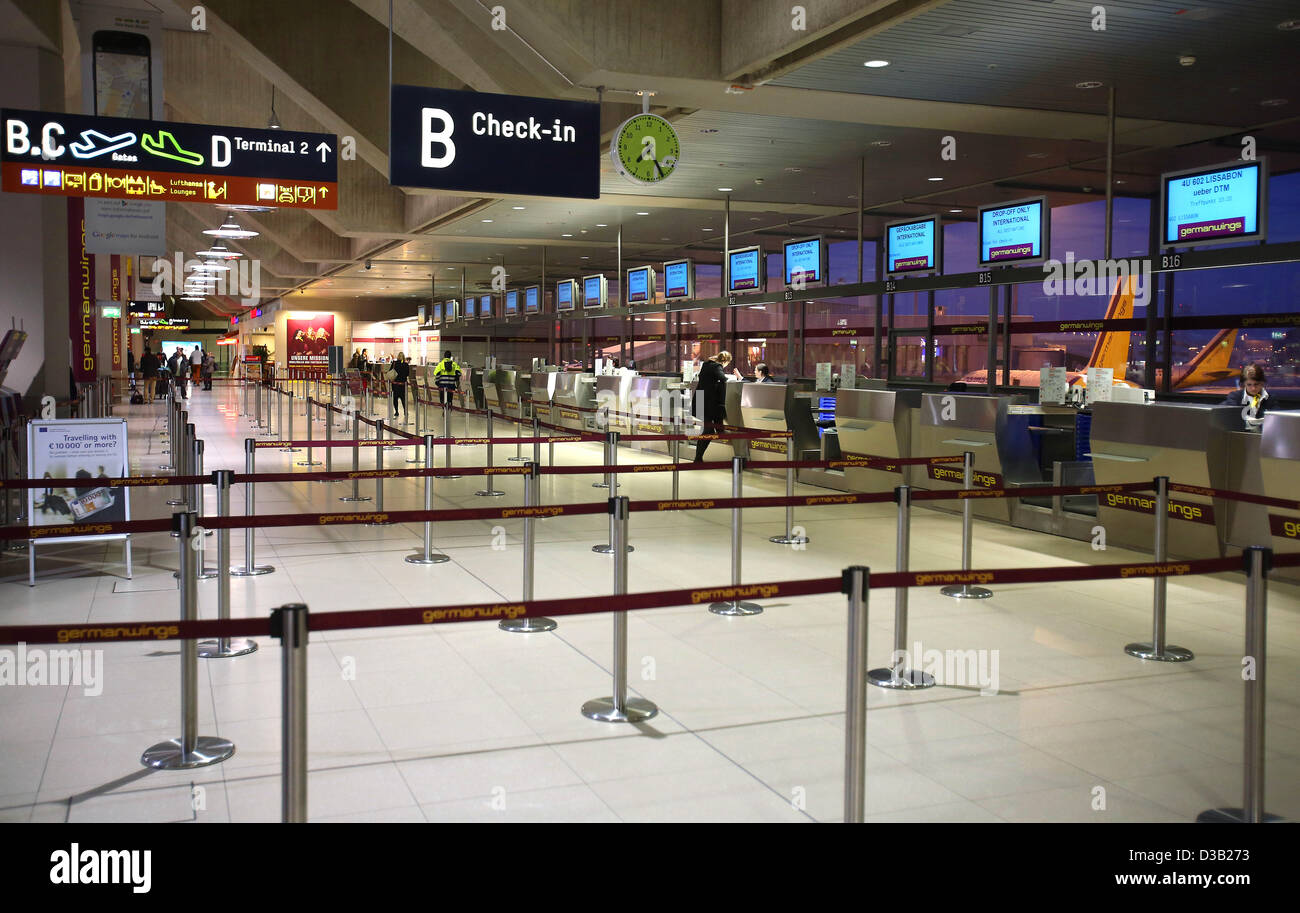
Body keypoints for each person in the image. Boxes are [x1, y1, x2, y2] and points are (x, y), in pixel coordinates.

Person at [693, 351, 734, 463]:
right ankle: (698, 459)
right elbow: (723, 378)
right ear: (725, 361)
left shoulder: (706, 365)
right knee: (708, 430)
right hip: (708, 403)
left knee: (708, 429)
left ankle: (698, 458)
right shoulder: (717, 366)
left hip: (701, 400)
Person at [1220, 364, 1270, 429]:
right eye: (1249, 385)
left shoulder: (1269, 399)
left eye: (1256, 384)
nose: (1253, 388)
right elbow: (1231, 420)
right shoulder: (1234, 398)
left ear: (1262, 383)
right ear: (1243, 384)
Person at [391, 353, 410, 418]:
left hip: (395, 384)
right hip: (403, 384)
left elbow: (390, 371)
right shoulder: (406, 364)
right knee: (403, 398)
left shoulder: (394, 363)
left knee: (395, 398)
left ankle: (396, 411)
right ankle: (405, 411)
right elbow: (407, 374)